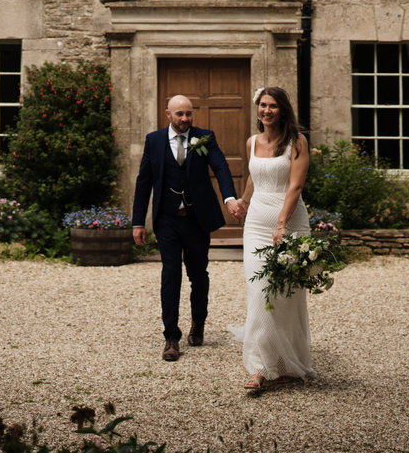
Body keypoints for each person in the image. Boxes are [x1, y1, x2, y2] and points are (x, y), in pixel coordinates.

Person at [132, 94, 244, 362]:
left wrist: (229, 198)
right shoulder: (154, 140)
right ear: (168, 114)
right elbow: (143, 182)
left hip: (196, 218)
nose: (185, 119)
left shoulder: (205, 137)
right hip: (166, 219)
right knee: (170, 275)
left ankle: (199, 322)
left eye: (189, 114)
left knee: (198, 274)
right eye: (180, 114)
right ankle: (171, 336)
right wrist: (137, 222)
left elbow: (221, 167)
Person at [232, 85, 314, 391]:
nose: (267, 110)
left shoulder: (296, 142)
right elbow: (255, 176)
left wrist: (281, 224)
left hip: (289, 223)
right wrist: (243, 201)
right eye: (263, 105)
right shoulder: (252, 141)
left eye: (273, 106)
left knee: (285, 296)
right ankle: (258, 368)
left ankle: (287, 363)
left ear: (283, 110)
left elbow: (295, 186)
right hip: (255, 225)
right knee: (258, 290)